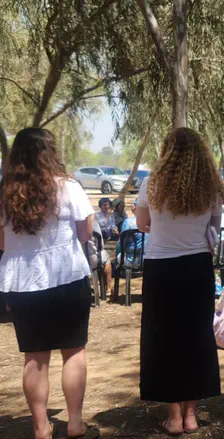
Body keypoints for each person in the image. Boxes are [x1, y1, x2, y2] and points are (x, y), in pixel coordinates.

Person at [0, 128, 99, 439]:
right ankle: (75, 423)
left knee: (35, 356)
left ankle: (41, 426)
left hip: (22, 282)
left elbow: (1, 242)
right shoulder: (68, 187)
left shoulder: (4, 192)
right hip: (67, 277)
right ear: (50, 153)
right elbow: (85, 234)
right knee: (73, 352)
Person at [134, 128, 223, 435]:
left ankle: (173, 416)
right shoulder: (209, 186)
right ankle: (191, 415)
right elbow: (214, 227)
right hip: (196, 267)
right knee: (196, 337)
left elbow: (142, 224)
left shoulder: (151, 183)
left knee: (163, 339)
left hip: (161, 268)